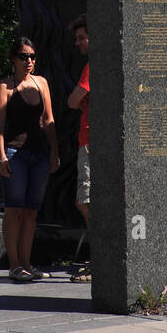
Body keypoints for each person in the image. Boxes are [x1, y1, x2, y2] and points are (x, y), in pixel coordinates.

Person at [0, 36, 59, 282]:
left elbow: (49, 120)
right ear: (13, 59)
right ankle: (14, 264)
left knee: (31, 211)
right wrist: (1, 156)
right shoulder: (5, 86)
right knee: (14, 209)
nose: (29, 61)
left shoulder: (41, 83)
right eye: (24, 56)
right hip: (14, 153)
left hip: (39, 153)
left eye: (32, 56)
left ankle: (27, 262)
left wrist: (54, 151)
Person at [67, 15, 90, 279]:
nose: (78, 43)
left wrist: (80, 100)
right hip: (90, 140)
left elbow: (73, 101)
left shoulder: (91, 68)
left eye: (82, 37)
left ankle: (102, 259)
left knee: (86, 202)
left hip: (90, 141)